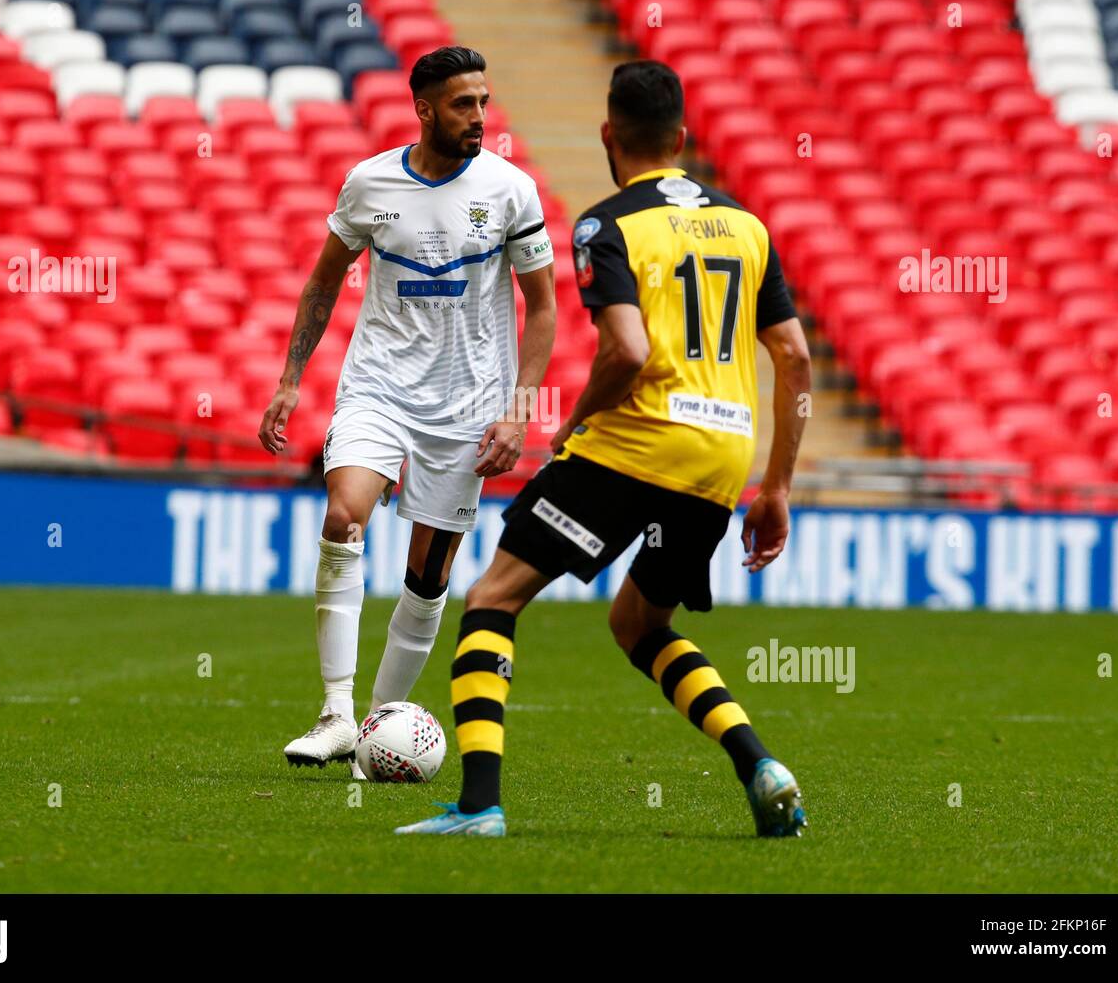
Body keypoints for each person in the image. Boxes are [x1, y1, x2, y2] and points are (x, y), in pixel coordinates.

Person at [397, 60, 812, 836]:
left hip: (633, 445)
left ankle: (480, 805)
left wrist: (572, 422)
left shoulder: (608, 225)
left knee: (493, 597)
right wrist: (777, 486)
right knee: (638, 626)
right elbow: (794, 356)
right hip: (721, 461)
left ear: (606, 136)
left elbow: (626, 350)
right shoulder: (748, 228)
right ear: (683, 138)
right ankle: (761, 763)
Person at [258, 46, 556, 776]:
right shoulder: (370, 184)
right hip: (380, 386)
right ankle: (333, 714)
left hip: (468, 404)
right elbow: (324, 282)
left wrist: (518, 413)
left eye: (483, 102)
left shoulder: (511, 190)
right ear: (424, 109)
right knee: (343, 516)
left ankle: (371, 731)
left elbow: (544, 306)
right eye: (463, 105)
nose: (479, 118)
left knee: (427, 579)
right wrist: (292, 379)